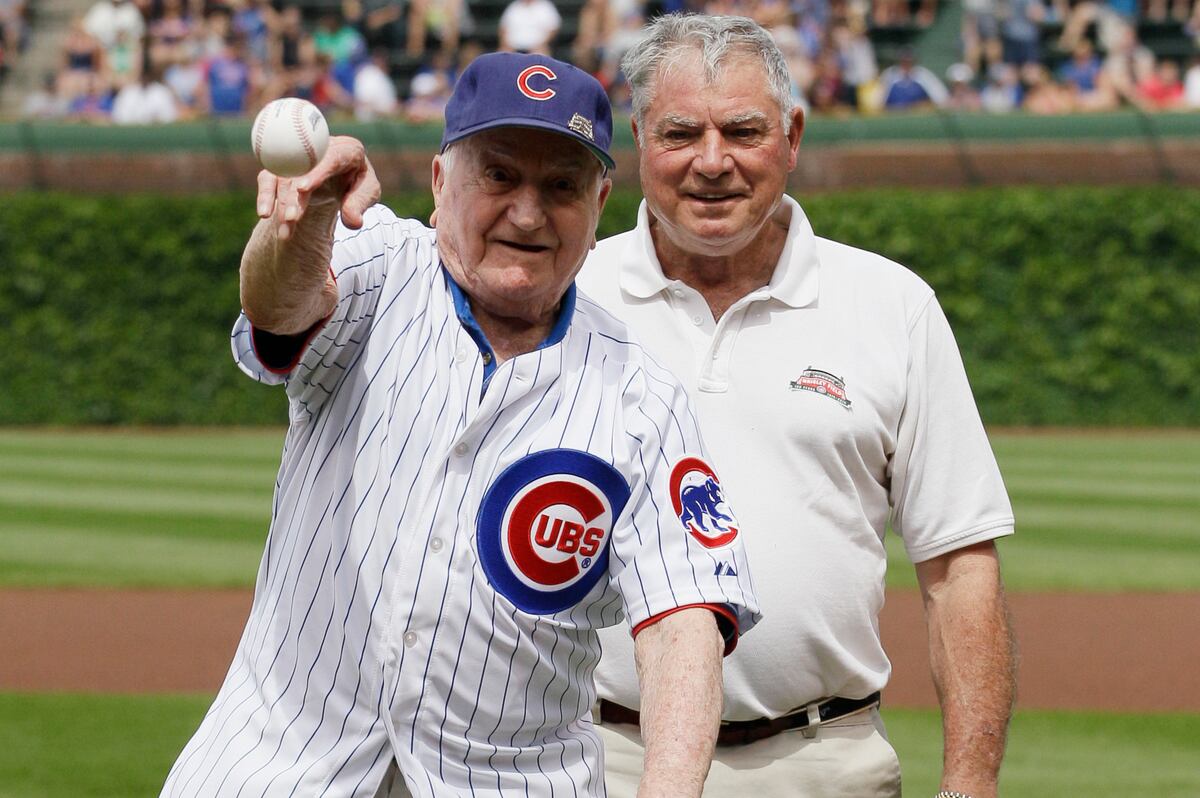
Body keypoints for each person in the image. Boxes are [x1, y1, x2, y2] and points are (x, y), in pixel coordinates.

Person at [159, 51, 760, 798]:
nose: (529, 211)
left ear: (601, 202)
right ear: (442, 182)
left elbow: (684, 626)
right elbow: (280, 308)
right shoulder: (380, 264)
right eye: (500, 174)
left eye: (561, 185)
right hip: (279, 769)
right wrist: (304, 219)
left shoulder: (643, 397)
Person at [576, 14, 1016, 798]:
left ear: (793, 136)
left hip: (826, 761)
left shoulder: (892, 304)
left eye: (744, 131)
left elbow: (959, 569)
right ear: (639, 136)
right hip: (599, 757)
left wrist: (970, 782)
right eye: (681, 133)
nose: (713, 162)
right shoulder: (568, 296)